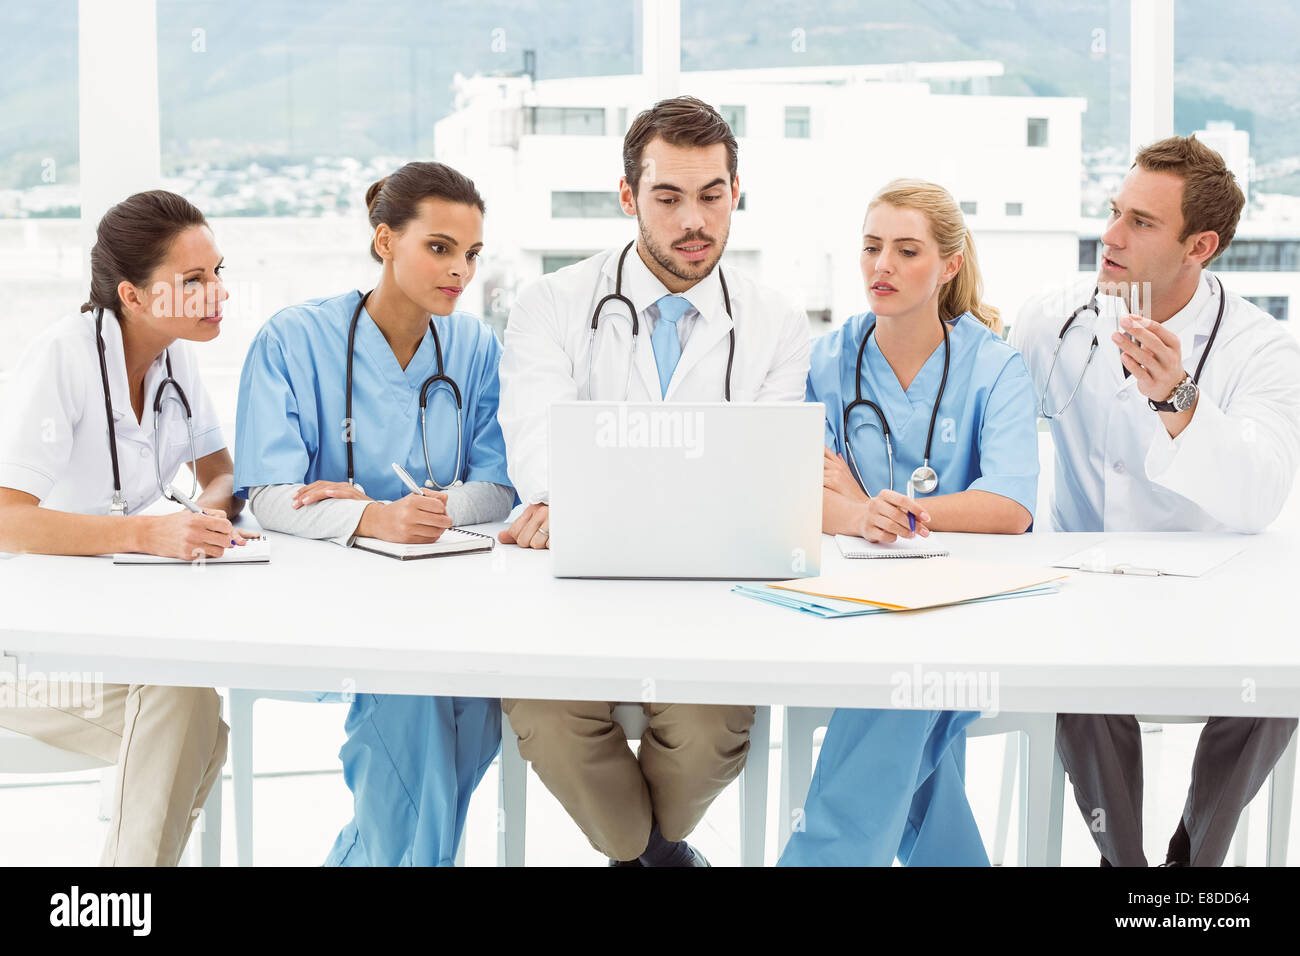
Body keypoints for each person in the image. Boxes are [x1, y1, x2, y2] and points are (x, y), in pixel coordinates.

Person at [495, 96, 810, 866]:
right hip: (571, 596)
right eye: (668, 198)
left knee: (711, 730)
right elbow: (538, 452)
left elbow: (767, 481)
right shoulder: (551, 305)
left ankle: (644, 856)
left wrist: (589, 501)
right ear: (630, 197)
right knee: (544, 712)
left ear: (736, 192)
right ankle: (656, 856)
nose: (692, 220)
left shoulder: (777, 322)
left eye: (711, 195)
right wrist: (579, 499)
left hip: (712, 604)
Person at [1011, 135, 1300, 866]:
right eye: (1114, 213)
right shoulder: (1054, 322)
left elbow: (1260, 494)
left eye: (1140, 223)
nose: (1108, 238)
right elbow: (992, 424)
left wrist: (1178, 399)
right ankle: (1131, 874)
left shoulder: (1260, 348)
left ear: (1198, 245)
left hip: (1210, 596)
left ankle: (1193, 862)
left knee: (1281, 676)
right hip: (1084, 587)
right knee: (1073, 669)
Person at [233, 161, 513, 866]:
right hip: (332, 597)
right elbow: (267, 495)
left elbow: (500, 489)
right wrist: (373, 523)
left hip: (447, 594)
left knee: (480, 710)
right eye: (440, 247)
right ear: (386, 241)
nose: (460, 271)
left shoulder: (475, 347)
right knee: (414, 695)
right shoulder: (293, 340)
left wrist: (418, 511)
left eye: (472, 254)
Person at [778, 178, 1037, 866]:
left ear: (949, 264)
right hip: (853, 601)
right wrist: (862, 512)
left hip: (968, 604)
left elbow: (1009, 506)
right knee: (913, 702)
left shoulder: (996, 366)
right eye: (870, 247)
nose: (881, 266)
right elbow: (801, 492)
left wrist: (887, 509)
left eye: (905, 250)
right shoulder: (829, 361)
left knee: (905, 683)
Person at [0, 190, 238, 865]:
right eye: (192, 280)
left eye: (218, 271)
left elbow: (221, 477)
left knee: (187, 707)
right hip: (19, 651)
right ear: (132, 296)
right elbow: (5, 520)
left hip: (97, 634)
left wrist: (213, 521)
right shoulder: (63, 358)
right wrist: (146, 535)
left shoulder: (176, 355)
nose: (216, 293)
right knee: (192, 722)